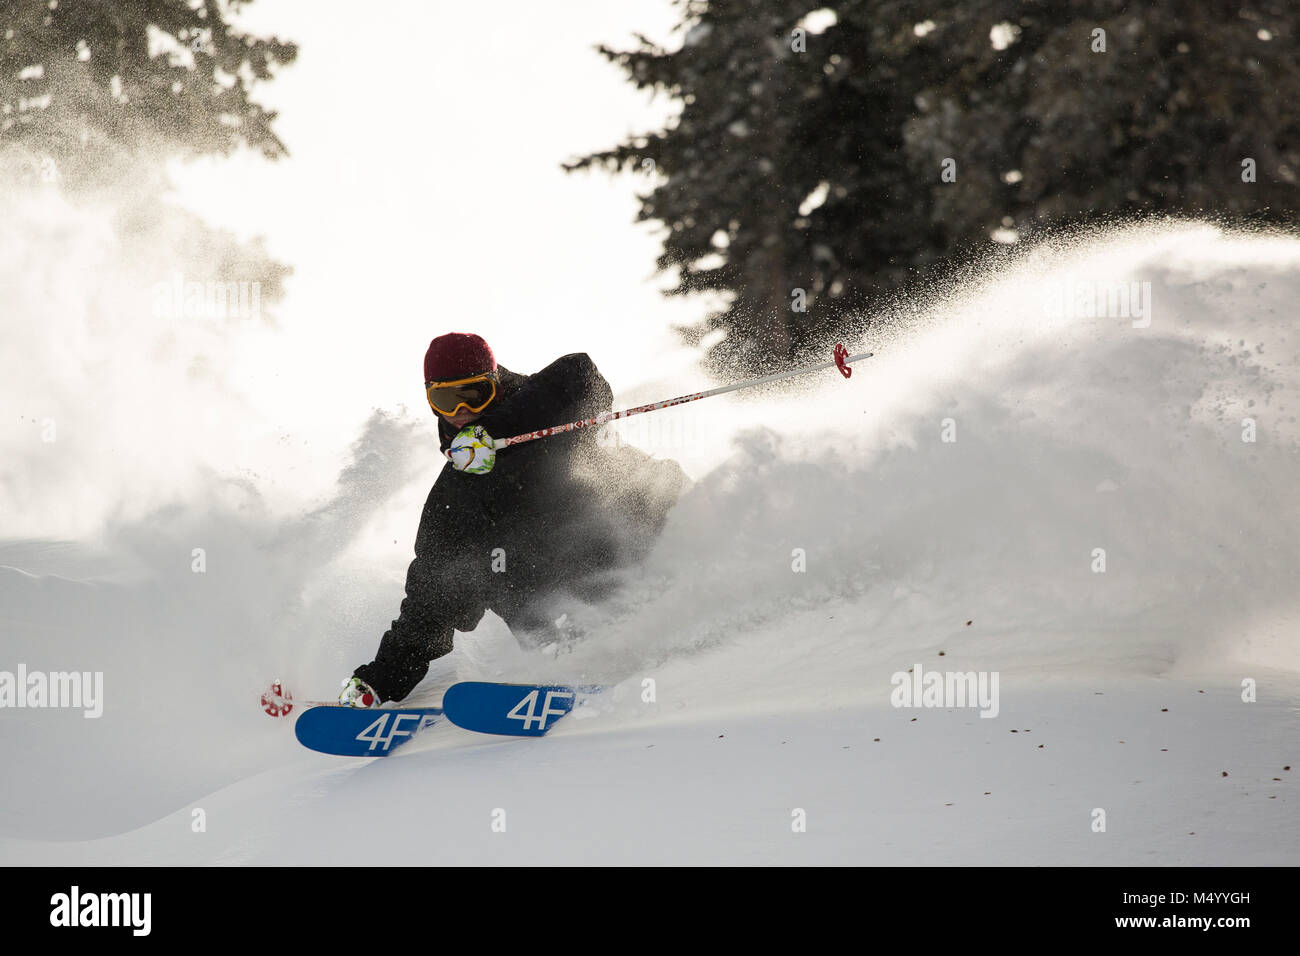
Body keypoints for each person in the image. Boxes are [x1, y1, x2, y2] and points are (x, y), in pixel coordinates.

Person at [340, 332, 685, 706]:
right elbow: (430, 595)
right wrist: (383, 677)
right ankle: (566, 650)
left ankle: (616, 633)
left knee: (573, 513)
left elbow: (582, 375)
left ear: (496, 384)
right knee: (483, 563)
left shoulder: (548, 414)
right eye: (444, 400)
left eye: (474, 395)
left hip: (650, 534)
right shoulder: (456, 494)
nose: (461, 413)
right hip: (567, 607)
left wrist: (496, 431)